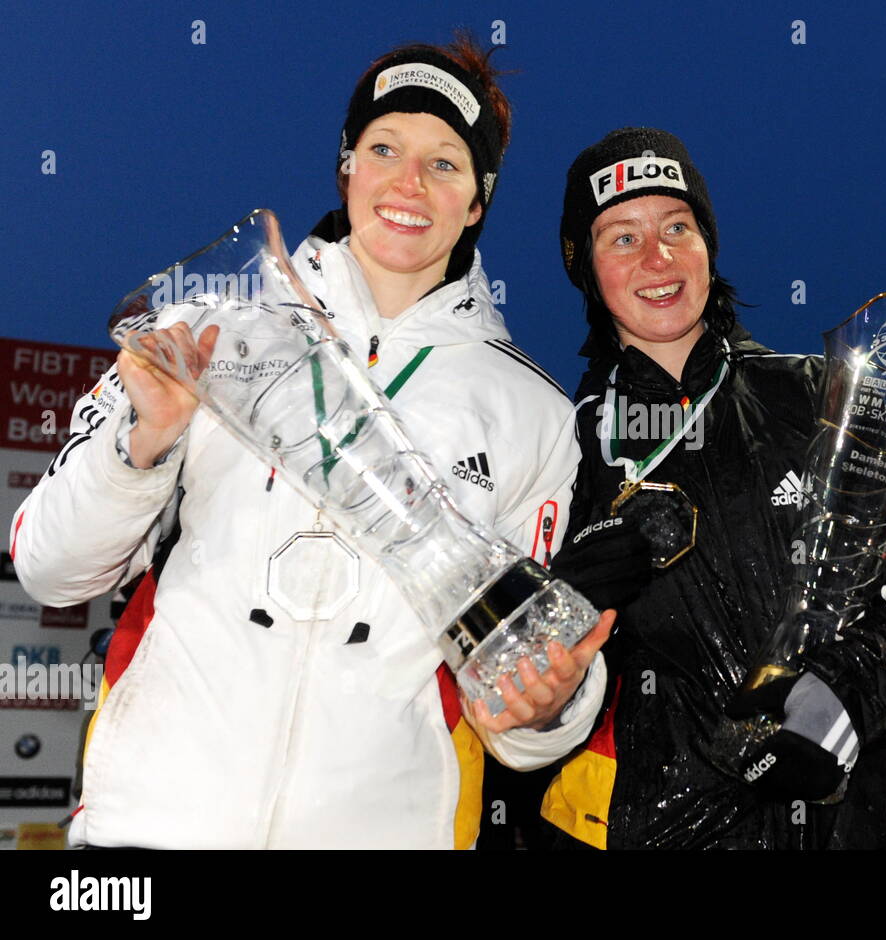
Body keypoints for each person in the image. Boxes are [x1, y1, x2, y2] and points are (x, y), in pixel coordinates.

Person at [9, 37, 610, 849]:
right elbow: (50, 569)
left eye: (444, 164)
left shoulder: (531, 412)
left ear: (478, 202)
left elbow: (521, 726)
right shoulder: (203, 333)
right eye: (385, 149)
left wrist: (550, 704)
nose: (408, 183)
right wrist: (144, 441)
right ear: (347, 166)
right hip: (155, 826)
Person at [538, 127, 886, 849]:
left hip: (852, 827)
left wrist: (844, 698)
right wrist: (568, 602)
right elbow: (530, 686)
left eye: (676, 227)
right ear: (585, 268)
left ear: (707, 245)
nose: (657, 258)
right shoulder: (566, 446)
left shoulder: (820, 398)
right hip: (665, 832)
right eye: (622, 238)